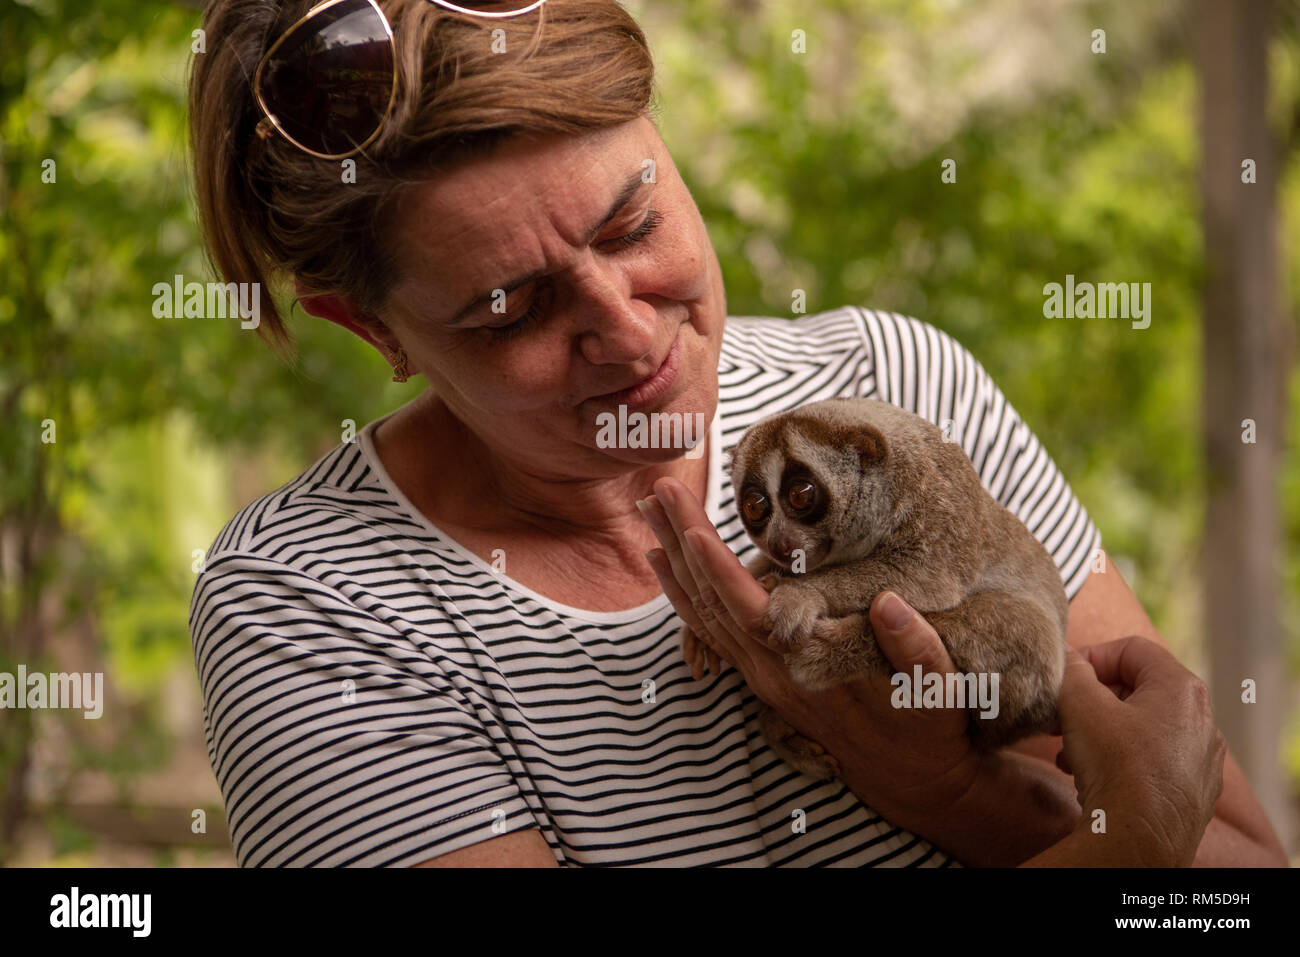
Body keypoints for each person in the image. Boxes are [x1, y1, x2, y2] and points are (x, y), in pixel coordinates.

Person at [186, 0, 1285, 866]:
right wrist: (1125, 852)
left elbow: (1237, 863)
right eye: (510, 309)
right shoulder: (316, 603)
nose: (625, 334)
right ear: (369, 326)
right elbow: (1160, 845)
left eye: (634, 221)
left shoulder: (890, 393)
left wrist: (944, 787)